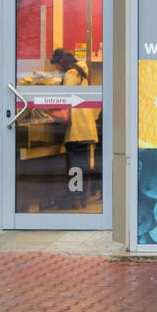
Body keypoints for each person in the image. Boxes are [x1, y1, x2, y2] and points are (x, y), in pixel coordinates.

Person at [50, 48, 98, 209]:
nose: (57, 69)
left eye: (56, 65)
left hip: (77, 129)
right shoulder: (83, 73)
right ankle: (81, 198)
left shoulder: (71, 74)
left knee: (74, 166)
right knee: (82, 165)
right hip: (88, 128)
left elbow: (64, 98)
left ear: (62, 61)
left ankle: (72, 199)